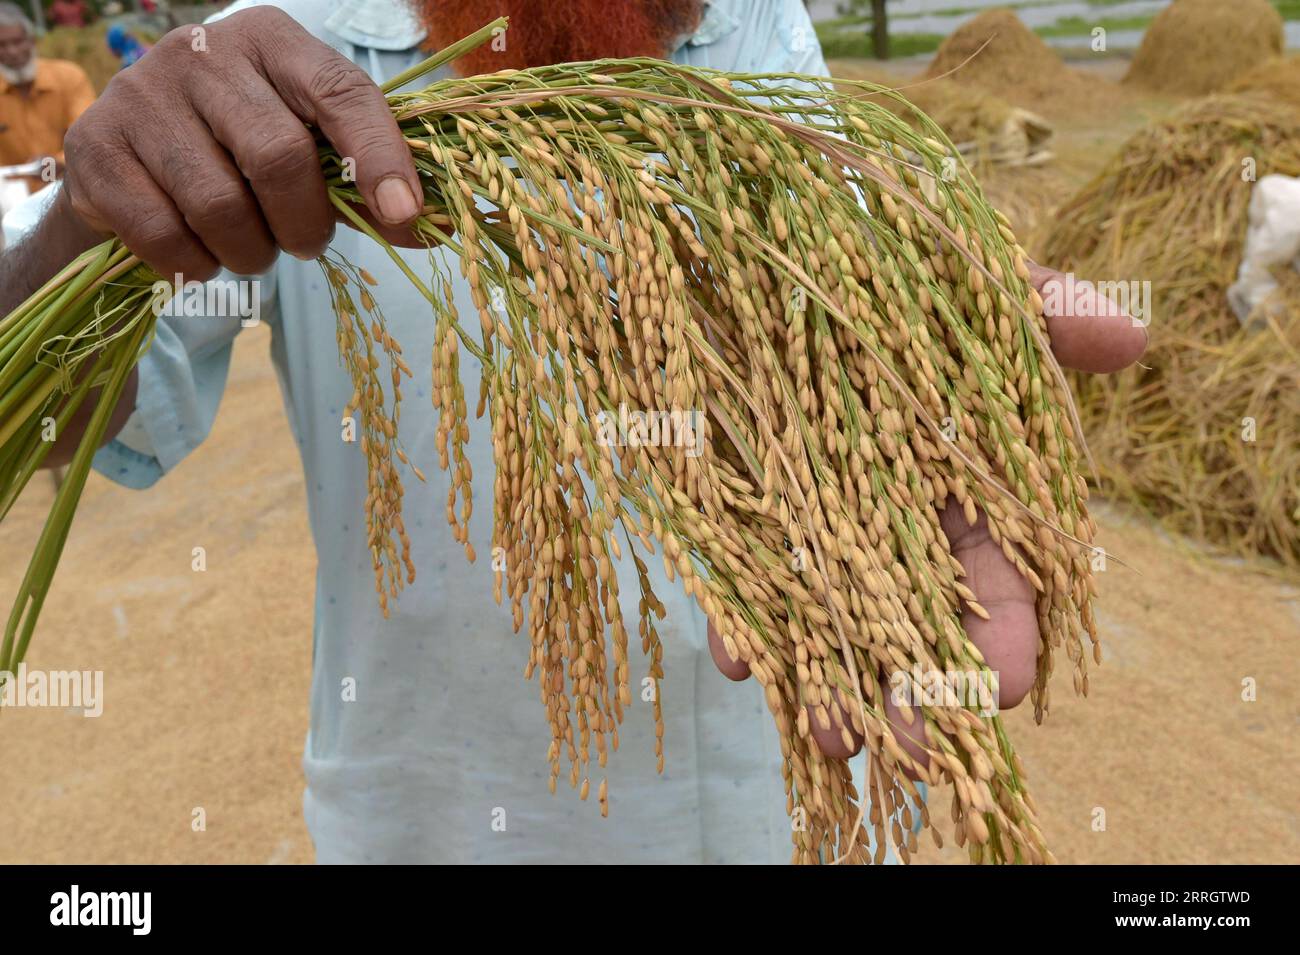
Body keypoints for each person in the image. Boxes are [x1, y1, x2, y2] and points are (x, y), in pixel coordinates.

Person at [0, 0, 1146, 863]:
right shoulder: (278, 50)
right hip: (439, 823)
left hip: (789, 802)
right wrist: (83, 225)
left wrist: (912, 335)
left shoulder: (755, 23)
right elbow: (65, 401)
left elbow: (820, 291)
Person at [0, 3, 94, 193]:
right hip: (15, 199)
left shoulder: (69, 77)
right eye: (1, 45)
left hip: (73, 187)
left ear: (32, 41)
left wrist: (54, 163)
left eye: (18, 41)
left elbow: (88, 138)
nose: (12, 52)